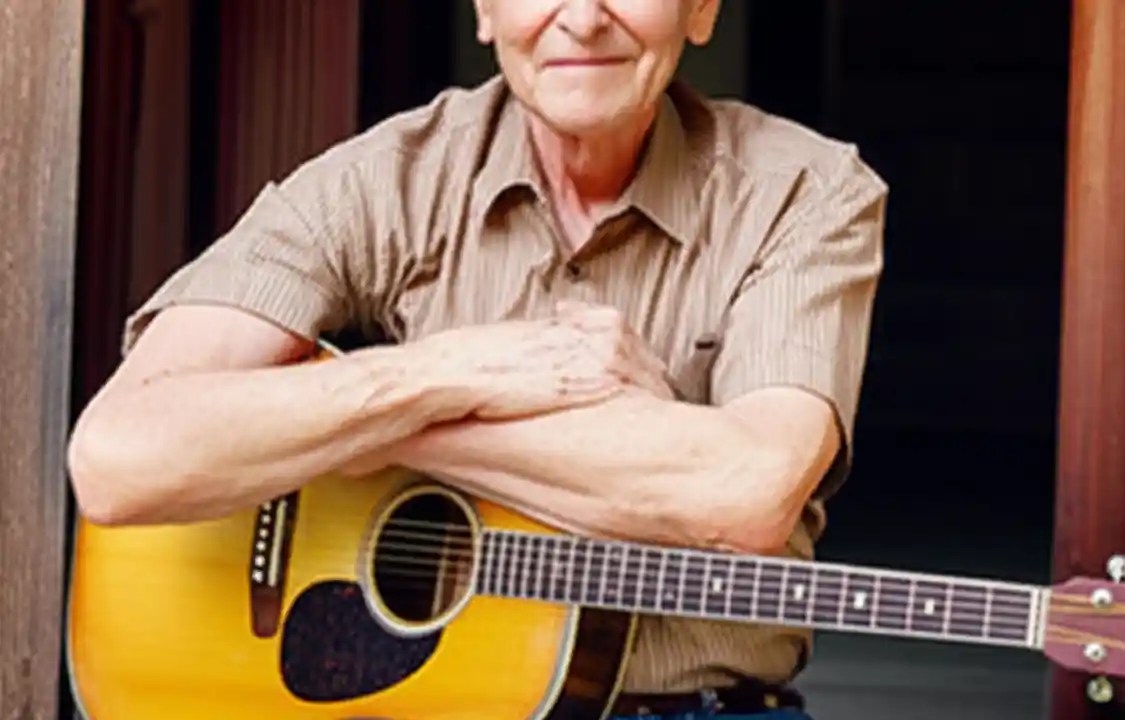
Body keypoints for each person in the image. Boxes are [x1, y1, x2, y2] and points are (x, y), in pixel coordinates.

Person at [66, 0, 886, 717]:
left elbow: (748, 493)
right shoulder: (385, 182)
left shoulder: (806, 193)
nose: (584, 15)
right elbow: (118, 458)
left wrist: (365, 431)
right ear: (485, 10)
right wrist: (455, 371)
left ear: (701, 9)